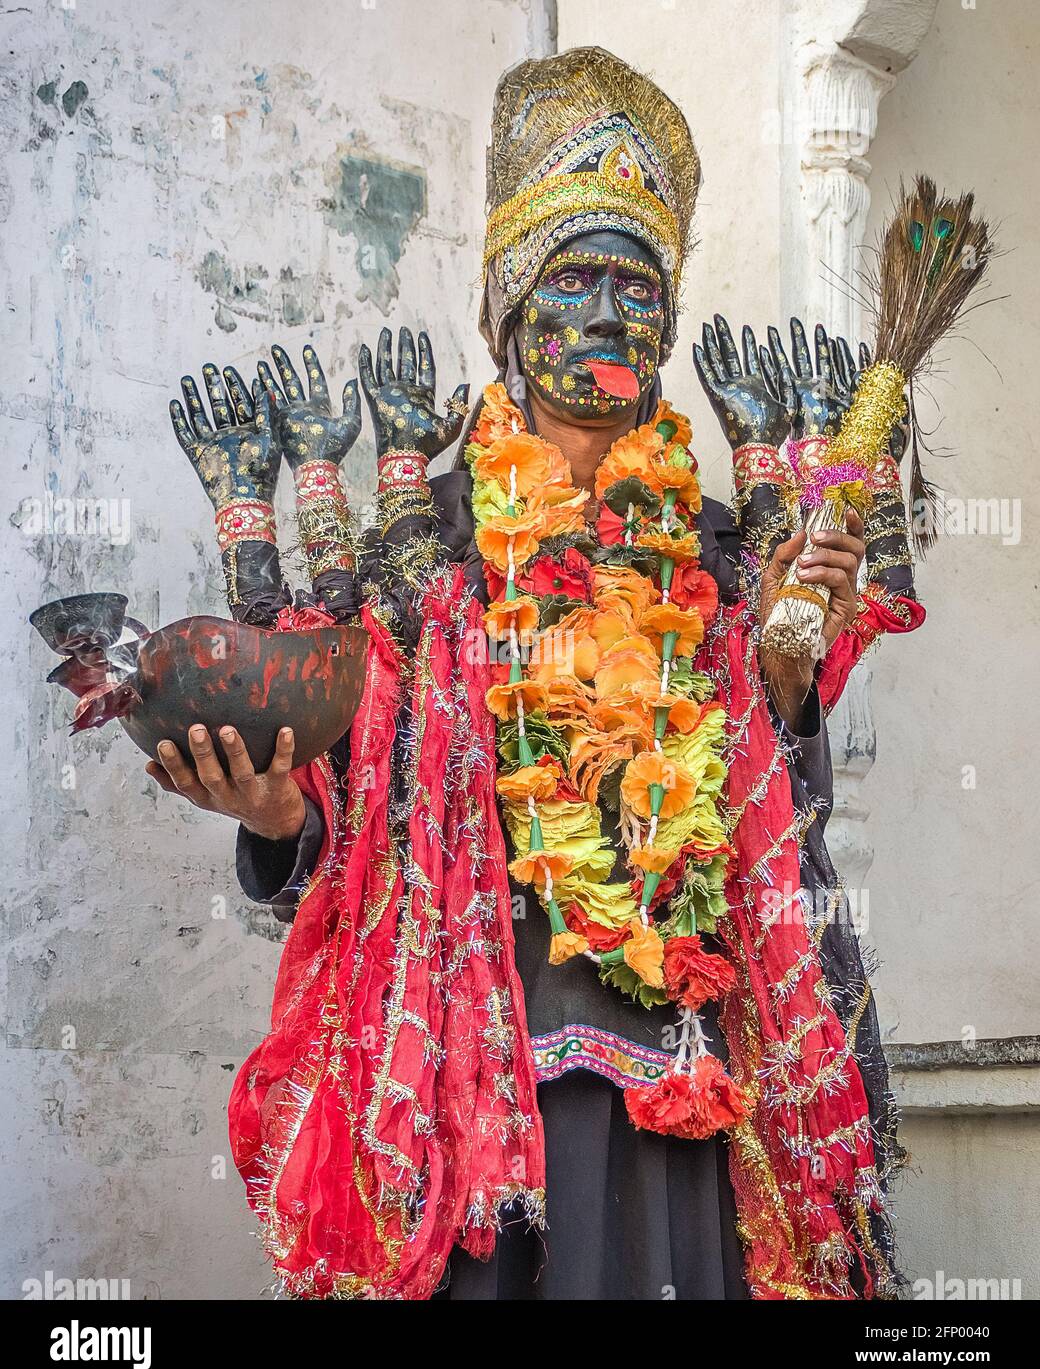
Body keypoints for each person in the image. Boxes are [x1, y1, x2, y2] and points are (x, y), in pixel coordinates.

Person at [148, 48, 923, 1300]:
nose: (609, 317)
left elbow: (782, 800)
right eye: (574, 280)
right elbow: (331, 814)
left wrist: (785, 656)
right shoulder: (431, 546)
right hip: (473, 1078)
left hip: (693, 1073)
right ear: (508, 309)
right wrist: (278, 818)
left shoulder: (725, 553)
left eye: (636, 287)